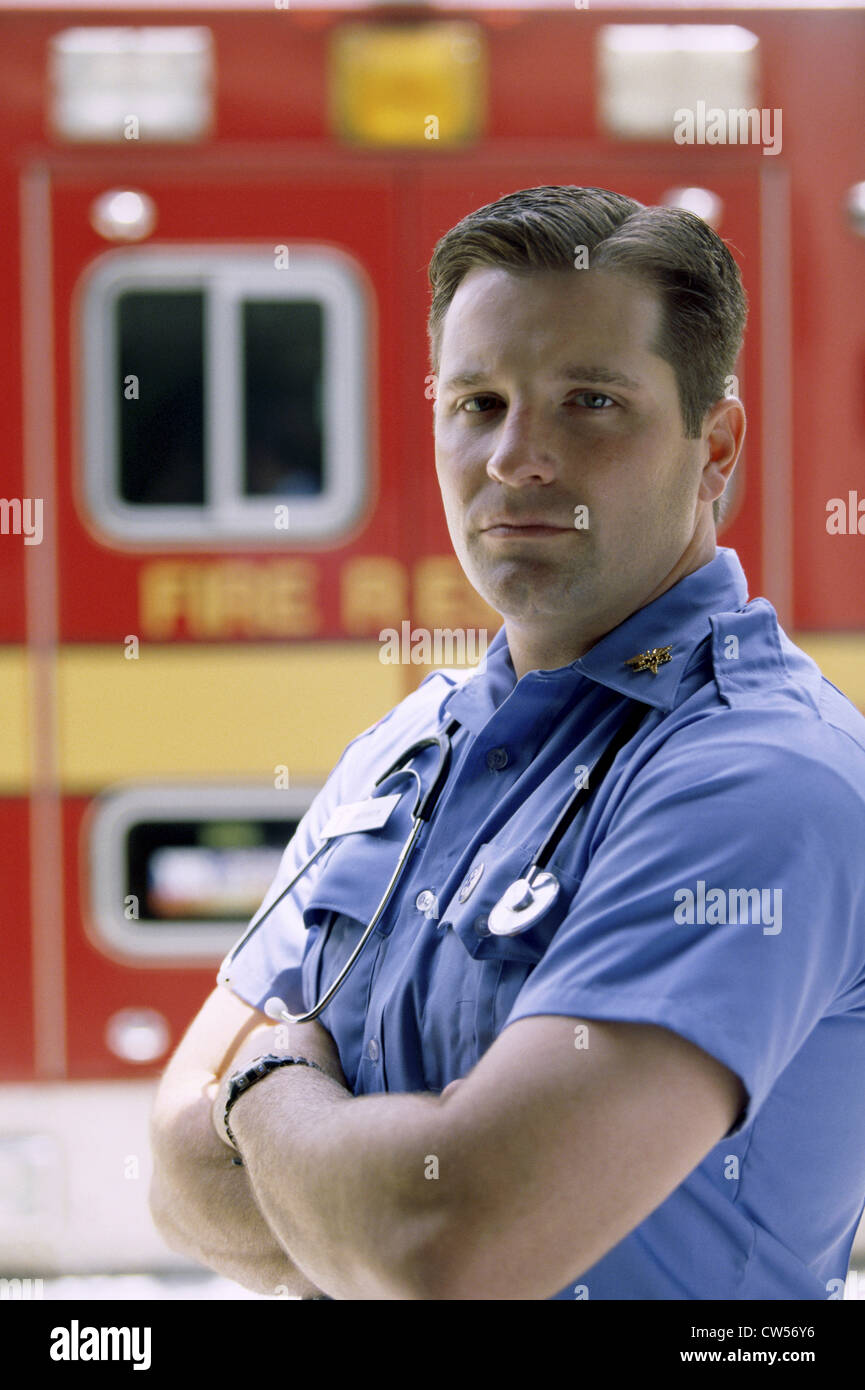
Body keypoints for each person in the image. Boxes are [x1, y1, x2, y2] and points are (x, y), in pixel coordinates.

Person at [149, 186, 865, 1301]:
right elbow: (177, 1172)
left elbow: (448, 1242)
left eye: (588, 401)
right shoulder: (406, 748)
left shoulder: (760, 780)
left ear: (713, 442)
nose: (516, 457)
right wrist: (344, 1189)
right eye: (479, 403)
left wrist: (267, 1076)